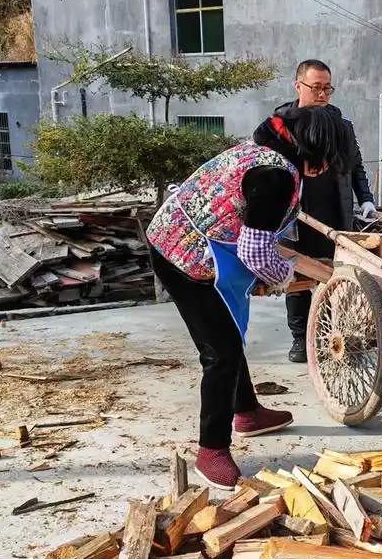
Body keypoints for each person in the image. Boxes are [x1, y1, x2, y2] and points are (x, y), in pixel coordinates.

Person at [146, 106, 349, 490]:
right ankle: (212, 450)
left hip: (188, 239)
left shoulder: (263, 152)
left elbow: (255, 233)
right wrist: (282, 276)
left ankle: (248, 413)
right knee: (220, 352)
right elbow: (256, 252)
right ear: (315, 150)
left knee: (230, 331)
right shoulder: (275, 176)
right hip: (180, 257)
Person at [275, 60, 377, 364]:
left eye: (327, 88)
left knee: (336, 278)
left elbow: (356, 165)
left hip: (335, 214)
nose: (322, 94)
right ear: (298, 86)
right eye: (315, 87)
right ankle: (299, 339)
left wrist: (366, 199)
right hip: (295, 218)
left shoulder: (341, 125)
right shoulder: (282, 125)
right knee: (297, 280)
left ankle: (332, 335)